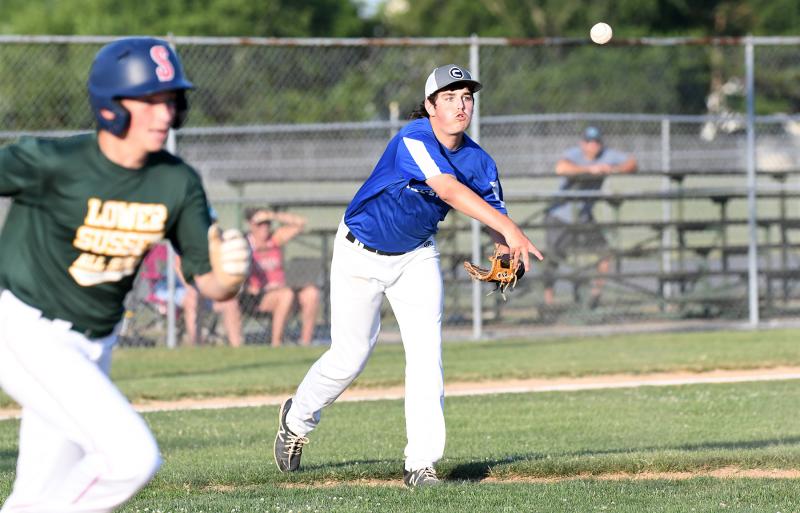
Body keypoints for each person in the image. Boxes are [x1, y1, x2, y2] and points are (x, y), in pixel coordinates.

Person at [0, 37, 250, 512]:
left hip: (97, 343)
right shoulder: (54, 162)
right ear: (110, 106)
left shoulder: (175, 181)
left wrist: (231, 276)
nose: (164, 114)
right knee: (130, 459)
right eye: (150, 100)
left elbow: (209, 282)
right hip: (26, 331)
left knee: (36, 496)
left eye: (171, 100)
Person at [272, 64, 543, 487]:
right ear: (430, 105)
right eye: (450, 97)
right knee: (349, 357)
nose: (461, 104)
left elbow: (494, 217)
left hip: (415, 257)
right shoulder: (412, 138)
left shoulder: (479, 161)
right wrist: (511, 230)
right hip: (359, 253)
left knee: (425, 358)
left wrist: (506, 246)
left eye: (467, 97)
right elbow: (449, 190)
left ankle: (421, 464)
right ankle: (297, 419)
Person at [542, 125, 638, 309]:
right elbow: (561, 167)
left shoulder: (607, 155)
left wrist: (613, 169)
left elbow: (632, 163)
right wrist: (590, 170)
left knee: (605, 254)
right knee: (553, 258)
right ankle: (549, 302)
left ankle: (594, 297)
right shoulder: (574, 154)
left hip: (584, 217)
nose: (593, 146)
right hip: (560, 217)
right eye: (589, 142)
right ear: (582, 143)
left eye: (596, 142)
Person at [213, 208, 321, 347]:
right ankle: (276, 344)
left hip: (281, 291)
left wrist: (273, 215)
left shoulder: (274, 239)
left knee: (311, 293)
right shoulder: (245, 243)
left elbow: (301, 223)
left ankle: (305, 343)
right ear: (251, 224)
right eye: (260, 223)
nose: (264, 227)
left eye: (267, 223)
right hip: (256, 296)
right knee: (286, 295)